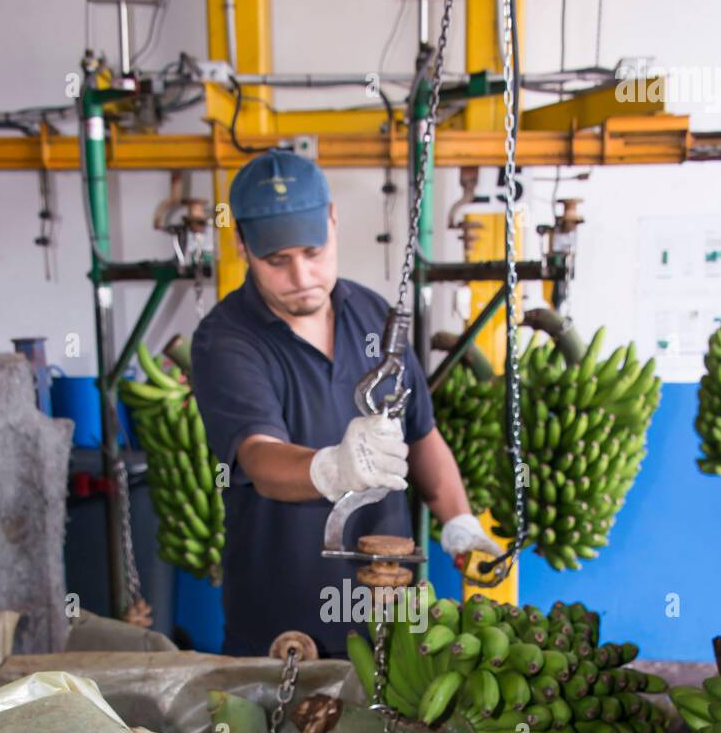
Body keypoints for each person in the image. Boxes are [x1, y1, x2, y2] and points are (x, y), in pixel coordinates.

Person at [192, 149, 501, 657]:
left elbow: (420, 435)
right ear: (242, 244)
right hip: (283, 630)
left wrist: (460, 523)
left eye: (313, 252)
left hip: (388, 617)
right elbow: (259, 456)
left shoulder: (374, 316)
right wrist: (330, 468)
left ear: (333, 222)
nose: (301, 276)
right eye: (277, 261)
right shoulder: (226, 340)